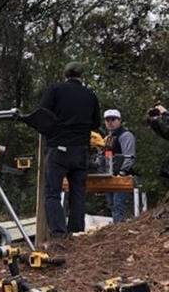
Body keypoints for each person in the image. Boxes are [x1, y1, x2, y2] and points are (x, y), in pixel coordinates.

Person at [40, 61, 100, 239]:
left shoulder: (55, 90)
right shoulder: (90, 95)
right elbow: (96, 123)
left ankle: (59, 233)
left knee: (52, 192)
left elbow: (42, 113)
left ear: (65, 75)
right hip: (81, 150)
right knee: (78, 193)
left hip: (58, 148)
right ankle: (76, 231)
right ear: (82, 77)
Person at [103, 109, 136, 223]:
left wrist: (122, 172)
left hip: (122, 177)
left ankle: (119, 229)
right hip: (109, 176)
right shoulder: (108, 138)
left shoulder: (126, 135)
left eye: (113, 119)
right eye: (107, 120)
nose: (110, 122)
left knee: (118, 205)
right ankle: (117, 229)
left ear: (119, 120)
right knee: (112, 204)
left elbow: (129, 156)